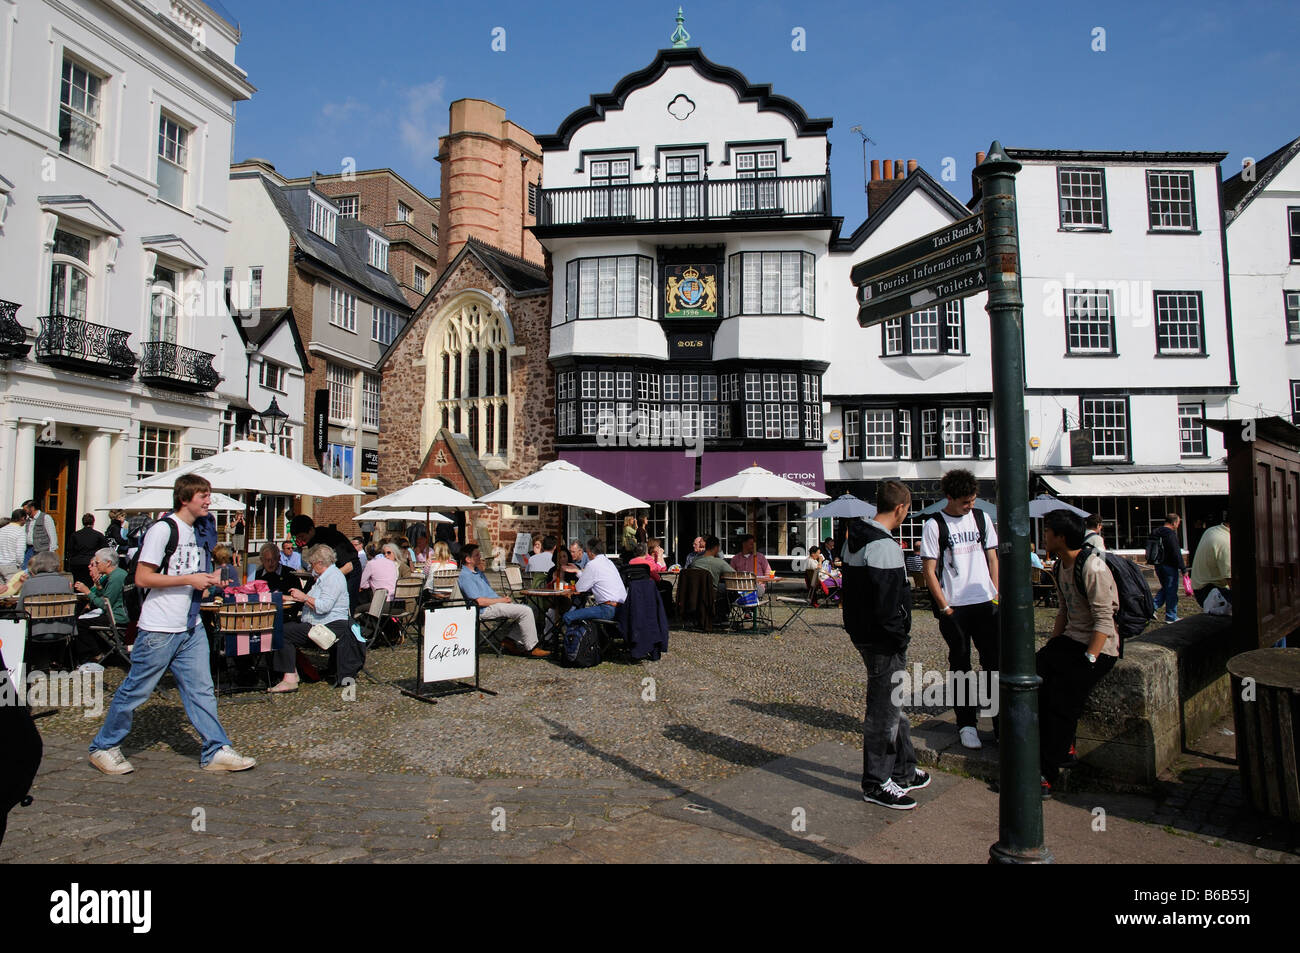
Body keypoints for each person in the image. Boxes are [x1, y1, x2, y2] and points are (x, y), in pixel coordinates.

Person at [88, 474, 256, 775]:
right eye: (203, 495)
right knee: (137, 689)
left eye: (209, 494)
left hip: (190, 626)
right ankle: (103, 746)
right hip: (159, 627)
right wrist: (189, 580)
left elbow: (188, 576)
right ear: (185, 499)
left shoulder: (199, 533)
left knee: (201, 690)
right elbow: (142, 577)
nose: (208, 500)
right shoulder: (163, 531)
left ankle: (216, 749)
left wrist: (206, 581)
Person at [840, 480, 928, 809]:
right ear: (901, 509)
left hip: (862, 632)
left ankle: (904, 768)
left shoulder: (855, 539)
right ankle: (876, 781)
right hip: (882, 639)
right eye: (908, 510)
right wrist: (899, 636)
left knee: (892, 703)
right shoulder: (886, 547)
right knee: (883, 712)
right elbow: (889, 602)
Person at [1038, 510, 1119, 798]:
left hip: (1099, 647)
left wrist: (1090, 659)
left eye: (1047, 531)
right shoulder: (1061, 566)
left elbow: (1104, 620)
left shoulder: (1092, 568)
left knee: (1061, 700)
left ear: (1060, 537)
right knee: (1032, 680)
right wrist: (1052, 646)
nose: (1043, 536)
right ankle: (1062, 747)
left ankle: (1046, 773)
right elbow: (1064, 609)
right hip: (1071, 639)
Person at [921, 468, 999, 750]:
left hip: (985, 602)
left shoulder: (981, 518)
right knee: (961, 665)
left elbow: (992, 556)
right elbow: (929, 570)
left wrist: (996, 594)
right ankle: (967, 724)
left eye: (973, 499)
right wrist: (945, 607)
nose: (971, 505)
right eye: (965, 501)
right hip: (955, 607)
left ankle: (998, 721)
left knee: (993, 663)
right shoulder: (934, 524)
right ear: (949, 497)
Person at [270, 544, 359, 692]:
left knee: (282, 631)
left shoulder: (333, 578)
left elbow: (324, 606)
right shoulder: (324, 578)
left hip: (328, 625)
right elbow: (312, 599)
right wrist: (290, 597)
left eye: (311, 564)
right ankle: (292, 671)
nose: (310, 567)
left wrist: (304, 597)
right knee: (285, 626)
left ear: (319, 563)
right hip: (318, 621)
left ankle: (290, 677)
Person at [458, 544, 549, 657]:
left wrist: (501, 600)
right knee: (525, 611)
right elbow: (479, 602)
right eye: (476, 555)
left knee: (533, 609)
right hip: (483, 610)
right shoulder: (466, 576)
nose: (480, 557)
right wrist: (500, 600)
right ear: (468, 559)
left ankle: (510, 640)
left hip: (494, 604)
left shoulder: (477, 572)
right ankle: (531, 647)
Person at [18, 551, 76, 669]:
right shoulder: (66, 582)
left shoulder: (29, 584)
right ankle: (58, 660)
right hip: (62, 629)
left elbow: (19, 611)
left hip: (35, 631)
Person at [290, 514, 360, 610]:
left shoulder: (331, 537)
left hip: (350, 573)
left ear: (310, 530)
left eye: (302, 536)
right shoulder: (311, 540)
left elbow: (349, 565)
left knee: (343, 605)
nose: (301, 540)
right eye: (298, 538)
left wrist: (327, 578)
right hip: (330, 573)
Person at [73, 547, 128, 666]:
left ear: (108, 563)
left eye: (97, 563)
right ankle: (102, 651)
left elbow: (105, 604)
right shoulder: (116, 575)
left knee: (80, 624)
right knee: (85, 621)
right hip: (115, 614)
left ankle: (97, 654)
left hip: (117, 617)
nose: (96, 566)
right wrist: (98, 587)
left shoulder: (115, 578)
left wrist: (88, 592)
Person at [563, 538, 627, 629]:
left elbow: (579, 588)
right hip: (622, 608)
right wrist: (577, 571)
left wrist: (576, 571)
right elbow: (594, 580)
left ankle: (575, 641)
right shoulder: (609, 563)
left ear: (590, 552)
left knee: (567, 616)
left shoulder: (592, 564)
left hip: (607, 609)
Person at [1149, 513, 1185, 624]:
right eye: (1178, 523)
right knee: (1171, 591)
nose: (1178, 525)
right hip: (1169, 565)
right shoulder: (1170, 534)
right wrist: (1183, 568)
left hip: (1158, 564)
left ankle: (1151, 609)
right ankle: (1171, 616)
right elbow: (1176, 551)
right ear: (1174, 522)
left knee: (1166, 588)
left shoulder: (1155, 532)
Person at [1190, 514, 1231, 608]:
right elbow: (1231, 579)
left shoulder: (1212, 530)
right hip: (1211, 592)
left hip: (1199, 588)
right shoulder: (1225, 542)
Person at [23, 498, 58, 569]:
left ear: (32, 508)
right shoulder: (28, 520)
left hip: (42, 550)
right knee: (25, 569)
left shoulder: (45, 517)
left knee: (39, 569)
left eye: (25, 509)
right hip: (29, 549)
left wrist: (51, 551)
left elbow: (52, 535)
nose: (24, 512)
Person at [0, 509, 26, 583]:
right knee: (13, 590)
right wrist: (19, 564)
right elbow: (20, 551)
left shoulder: (2, 530)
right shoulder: (20, 531)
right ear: (22, 518)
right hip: (10, 565)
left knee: (2, 592)